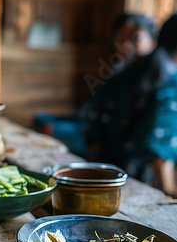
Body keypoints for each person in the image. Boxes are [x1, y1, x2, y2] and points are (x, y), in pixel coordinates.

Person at [84, 10, 177, 193]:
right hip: (145, 184)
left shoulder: (123, 73)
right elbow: (160, 153)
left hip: (109, 177)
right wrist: (173, 194)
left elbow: (94, 128)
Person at [34, 13, 158, 156]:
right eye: (121, 39)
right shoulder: (118, 72)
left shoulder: (153, 80)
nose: (126, 45)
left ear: (152, 41)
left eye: (135, 38)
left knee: (52, 128)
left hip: (106, 139)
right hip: (87, 121)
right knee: (41, 118)